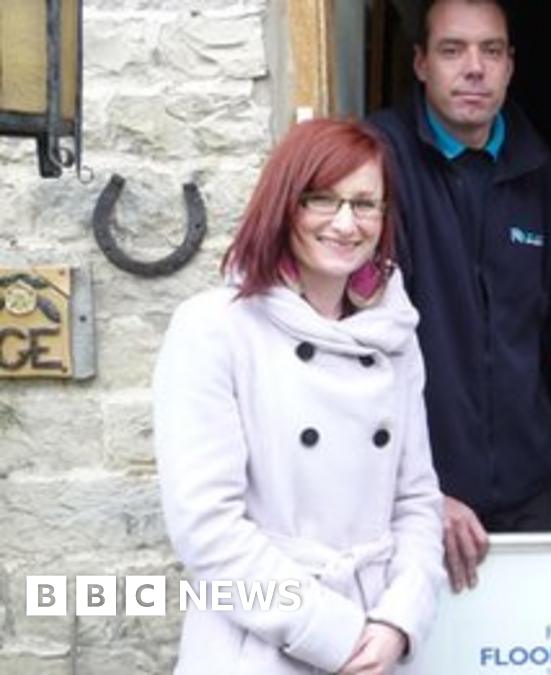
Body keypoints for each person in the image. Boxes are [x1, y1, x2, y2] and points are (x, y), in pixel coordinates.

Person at [153, 119, 444, 674]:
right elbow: (206, 529)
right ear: (284, 205)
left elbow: (416, 502)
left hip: (377, 642)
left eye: (365, 204)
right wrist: (330, 632)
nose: (345, 223)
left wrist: (399, 620)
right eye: (322, 199)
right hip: (260, 643)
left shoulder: (396, 335)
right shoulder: (214, 328)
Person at [369, 0, 551, 594]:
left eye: (491, 50)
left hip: (529, 485)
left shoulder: (543, 175)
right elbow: (356, 347)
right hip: (414, 495)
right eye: (452, 50)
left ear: (510, 65)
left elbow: (548, 319)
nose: (474, 68)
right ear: (421, 64)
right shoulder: (378, 161)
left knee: (533, 633)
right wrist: (419, 489)